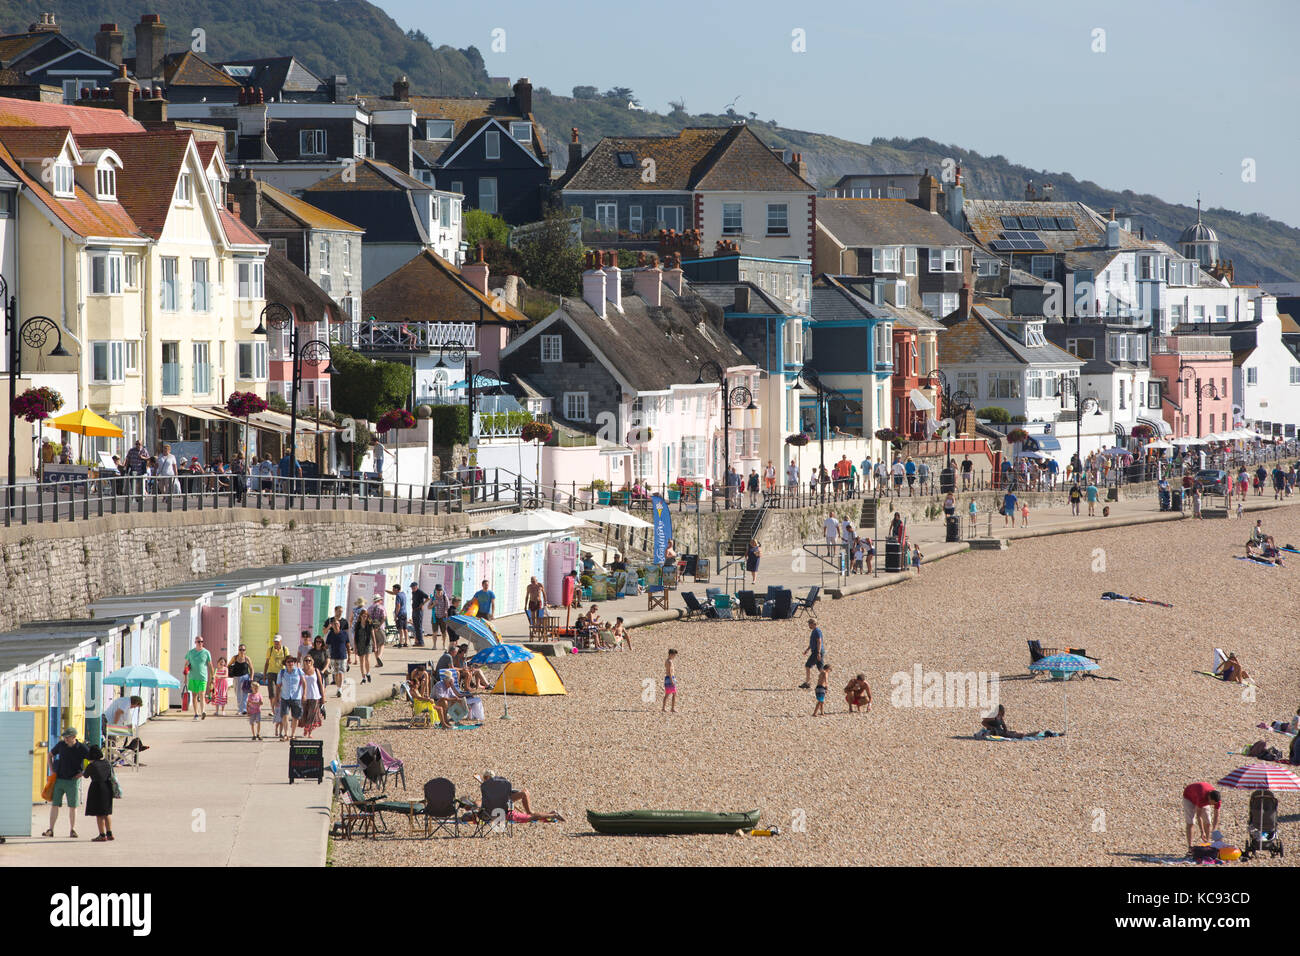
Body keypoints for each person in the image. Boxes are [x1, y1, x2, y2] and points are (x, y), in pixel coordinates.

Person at [44, 728, 89, 838]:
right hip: (59, 779)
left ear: (74, 737)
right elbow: (50, 754)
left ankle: (72, 829)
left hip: (73, 781)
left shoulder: (82, 748)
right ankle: (51, 830)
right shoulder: (61, 745)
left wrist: (83, 773)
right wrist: (51, 769)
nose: (65, 739)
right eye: (64, 737)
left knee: (73, 806)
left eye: (67, 737)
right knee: (55, 804)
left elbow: (92, 760)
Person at [474, 772, 566, 823]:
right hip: (506, 813)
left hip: (507, 815)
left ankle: (553, 815)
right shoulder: (500, 790)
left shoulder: (488, 795)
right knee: (530, 815)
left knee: (530, 816)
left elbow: (478, 803)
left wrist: (475, 808)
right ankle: (551, 814)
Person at [82, 746, 115, 842]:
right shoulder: (107, 763)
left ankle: (102, 835)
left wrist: (88, 765)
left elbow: (85, 775)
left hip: (97, 788)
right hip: (108, 788)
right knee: (107, 812)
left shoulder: (92, 765)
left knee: (99, 814)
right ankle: (109, 833)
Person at [1182, 782, 1221, 848]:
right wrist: (1202, 832)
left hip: (1201, 796)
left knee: (1208, 822)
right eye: (1212, 803)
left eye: (1214, 803)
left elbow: (1216, 815)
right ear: (1209, 798)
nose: (1212, 805)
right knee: (1191, 822)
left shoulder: (1217, 800)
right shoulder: (1201, 797)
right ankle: (1190, 847)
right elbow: (1198, 816)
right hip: (1188, 797)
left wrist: (1214, 829)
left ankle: (1207, 844)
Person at [981, 704, 1051, 739]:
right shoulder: (992, 716)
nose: (1000, 713)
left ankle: (1027, 734)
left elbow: (1003, 725)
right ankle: (1027, 735)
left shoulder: (1000, 716)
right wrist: (990, 727)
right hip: (994, 732)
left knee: (1013, 733)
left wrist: (1006, 730)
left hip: (1000, 730)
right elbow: (983, 722)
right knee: (1011, 735)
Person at [184, 636, 213, 721]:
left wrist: (213, 677)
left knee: (202, 694)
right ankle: (196, 713)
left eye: (201, 641)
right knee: (194, 696)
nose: (200, 643)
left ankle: (203, 711)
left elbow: (210, 665)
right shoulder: (190, 652)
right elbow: (186, 665)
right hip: (192, 677)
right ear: (195, 642)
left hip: (203, 677)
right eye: (198, 641)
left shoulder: (206, 652)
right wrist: (185, 677)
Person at [276, 656, 304, 741]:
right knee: (285, 716)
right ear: (285, 663)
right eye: (288, 662)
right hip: (285, 696)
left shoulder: (299, 671)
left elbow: (304, 683)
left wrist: (304, 694)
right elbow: (278, 685)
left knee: (295, 716)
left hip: (296, 697)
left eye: (292, 662)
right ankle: (286, 734)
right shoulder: (282, 673)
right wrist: (277, 697)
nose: (290, 663)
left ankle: (293, 734)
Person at [299, 658, 323, 738]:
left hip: (314, 695)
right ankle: (306, 728)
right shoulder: (301, 671)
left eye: (309, 660)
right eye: (306, 660)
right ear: (304, 662)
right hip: (304, 695)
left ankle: (310, 732)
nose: (308, 662)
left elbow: (320, 684)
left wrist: (323, 696)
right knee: (304, 714)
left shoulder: (316, 671)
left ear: (312, 662)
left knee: (312, 715)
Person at [227, 645, 253, 715]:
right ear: (238, 650)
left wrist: (251, 678)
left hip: (245, 677)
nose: (242, 651)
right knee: (238, 694)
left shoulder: (247, 658)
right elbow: (228, 665)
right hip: (236, 678)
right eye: (240, 649)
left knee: (244, 694)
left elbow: (251, 669)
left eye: (243, 650)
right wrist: (229, 672)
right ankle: (239, 709)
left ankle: (244, 709)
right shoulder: (235, 658)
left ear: (245, 651)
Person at [325, 620, 349, 694]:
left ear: (339, 625)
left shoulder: (344, 633)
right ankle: (338, 687)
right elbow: (327, 645)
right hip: (333, 656)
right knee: (335, 673)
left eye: (337, 624)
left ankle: (340, 688)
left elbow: (347, 645)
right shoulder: (330, 634)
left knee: (341, 672)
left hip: (342, 656)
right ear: (332, 626)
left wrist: (350, 656)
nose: (335, 625)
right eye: (334, 624)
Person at [801, 618, 825, 689]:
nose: (809, 625)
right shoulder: (814, 631)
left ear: (814, 624)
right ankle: (825, 683)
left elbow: (819, 642)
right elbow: (813, 642)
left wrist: (818, 652)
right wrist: (807, 649)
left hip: (816, 652)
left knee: (807, 665)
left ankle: (807, 683)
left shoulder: (817, 631)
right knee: (820, 668)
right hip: (817, 651)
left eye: (809, 623)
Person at [263, 634, 287, 707]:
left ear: (281, 641)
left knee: (280, 692)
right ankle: (273, 709)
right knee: (272, 692)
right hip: (271, 673)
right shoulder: (270, 650)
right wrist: (264, 675)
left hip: (281, 673)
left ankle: (278, 708)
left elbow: (288, 661)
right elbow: (267, 663)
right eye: (275, 641)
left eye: (278, 641)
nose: (276, 643)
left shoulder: (285, 649)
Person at [353, 607, 373, 684]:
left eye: (366, 616)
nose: (364, 617)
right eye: (363, 615)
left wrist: (375, 644)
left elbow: (372, 634)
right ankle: (363, 678)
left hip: (368, 643)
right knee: (361, 661)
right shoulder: (357, 625)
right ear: (360, 616)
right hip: (360, 643)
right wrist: (355, 647)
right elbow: (355, 636)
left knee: (367, 659)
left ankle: (368, 673)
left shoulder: (369, 624)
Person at [409, 582, 429, 648]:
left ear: (416, 586)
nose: (412, 588)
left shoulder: (420, 592)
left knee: (418, 626)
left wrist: (422, 603)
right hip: (414, 610)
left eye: (413, 587)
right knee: (415, 626)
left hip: (418, 611)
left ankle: (421, 642)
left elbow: (428, 597)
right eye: (411, 587)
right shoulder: (413, 592)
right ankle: (417, 641)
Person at [662, 649, 679, 713]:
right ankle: (670, 708)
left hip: (669, 678)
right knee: (670, 694)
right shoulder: (669, 662)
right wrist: (672, 680)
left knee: (671, 694)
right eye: (674, 655)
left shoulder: (667, 661)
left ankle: (667, 708)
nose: (674, 656)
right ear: (671, 654)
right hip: (670, 678)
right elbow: (670, 672)